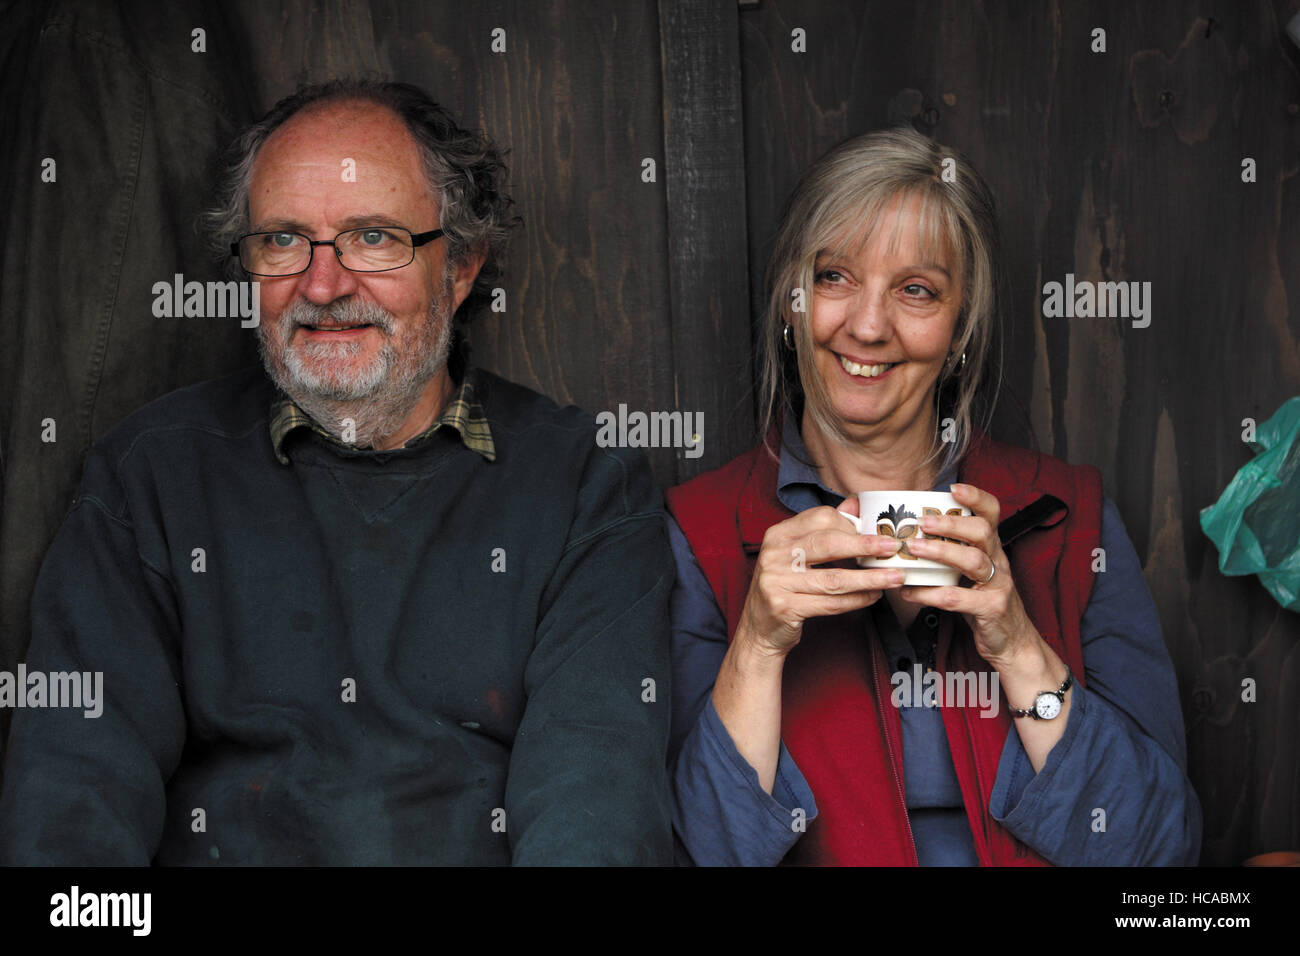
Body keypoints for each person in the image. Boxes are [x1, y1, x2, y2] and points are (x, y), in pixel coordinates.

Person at [0, 79, 674, 865]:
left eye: (374, 237)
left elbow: (596, 807)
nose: (322, 287)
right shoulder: (150, 475)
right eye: (283, 240)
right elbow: (73, 802)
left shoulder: (586, 485)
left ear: (460, 266)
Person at [665, 127, 1202, 866]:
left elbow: (1157, 852)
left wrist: (1016, 643)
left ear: (961, 329)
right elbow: (702, 853)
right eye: (834, 277)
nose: (868, 325)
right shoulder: (701, 534)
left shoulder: (1069, 518)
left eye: (916, 290)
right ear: (791, 302)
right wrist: (758, 646)